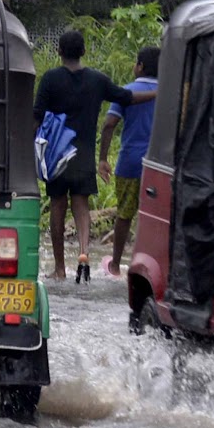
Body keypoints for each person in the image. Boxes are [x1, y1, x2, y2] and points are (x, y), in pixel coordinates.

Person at [33, 30, 157, 283]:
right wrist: (157, 94)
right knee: (81, 205)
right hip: (84, 155)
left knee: (58, 205)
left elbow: (36, 115)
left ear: (59, 52)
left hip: (57, 154)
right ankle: (83, 254)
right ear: (84, 52)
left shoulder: (50, 79)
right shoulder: (97, 80)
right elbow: (128, 97)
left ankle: (59, 269)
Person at [98, 45, 160, 279]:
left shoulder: (127, 91)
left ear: (141, 66)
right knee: (156, 217)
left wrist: (103, 158)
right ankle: (151, 265)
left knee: (125, 214)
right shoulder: (168, 93)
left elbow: (109, 124)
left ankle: (115, 265)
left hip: (130, 163)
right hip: (160, 166)